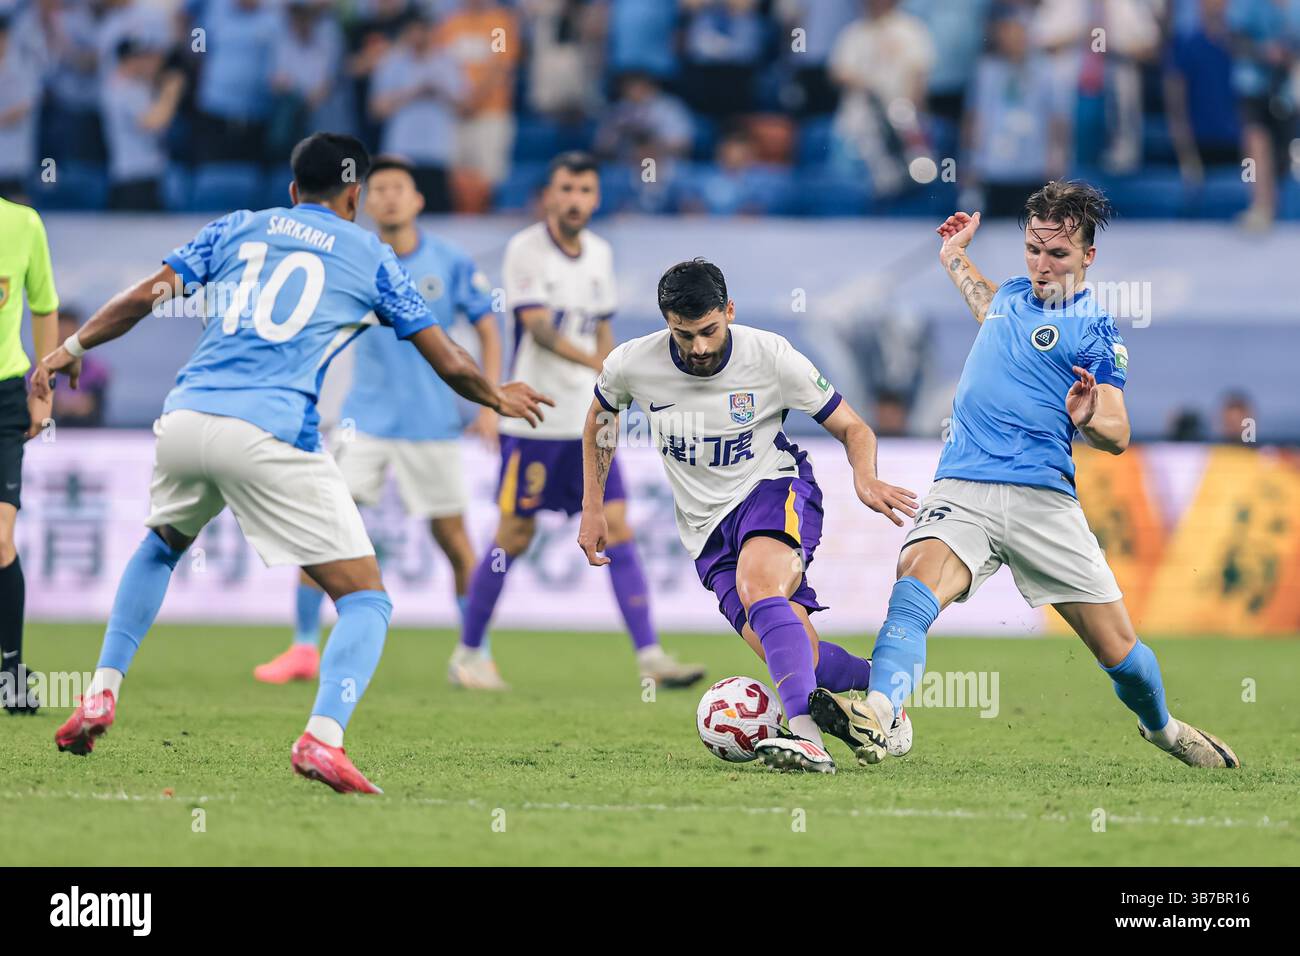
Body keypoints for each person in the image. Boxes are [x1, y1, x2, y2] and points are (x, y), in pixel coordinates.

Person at [40, 133, 550, 793]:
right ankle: (322, 738)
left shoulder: (237, 226)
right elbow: (445, 355)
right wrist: (495, 394)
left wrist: (70, 345)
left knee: (162, 544)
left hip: (186, 417)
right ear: (354, 195)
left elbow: (145, 295)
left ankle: (101, 691)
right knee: (366, 598)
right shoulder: (368, 252)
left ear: (291, 189)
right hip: (269, 430)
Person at [819, 181, 1240, 770]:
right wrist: (953, 257)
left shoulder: (1096, 330)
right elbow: (987, 304)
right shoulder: (1013, 296)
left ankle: (1164, 728)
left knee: (1118, 651)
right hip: (964, 486)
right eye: (1033, 250)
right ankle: (880, 714)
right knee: (912, 590)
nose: (1043, 266)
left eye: (1059, 255)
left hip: (1044, 499)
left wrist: (1091, 418)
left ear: (1088, 257)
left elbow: (1118, 431)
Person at [579, 258, 918, 774]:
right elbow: (601, 418)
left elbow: (854, 428)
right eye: (683, 334)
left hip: (773, 487)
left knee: (759, 586)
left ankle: (805, 736)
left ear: (729, 312)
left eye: (709, 331)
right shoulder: (632, 363)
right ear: (665, 322)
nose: (697, 347)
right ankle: (880, 693)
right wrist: (592, 505)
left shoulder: (772, 357)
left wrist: (865, 477)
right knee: (794, 652)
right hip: (705, 532)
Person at [453, 152, 705, 691]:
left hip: (591, 420)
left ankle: (651, 655)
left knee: (617, 528)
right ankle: (469, 652)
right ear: (549, 195)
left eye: (585, 190)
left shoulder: (601, 253)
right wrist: (602, 366)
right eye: (565, 188)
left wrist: (614, 387)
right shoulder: (526, 249)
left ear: (595, 198)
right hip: (536, 419)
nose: (574, 199)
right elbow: (538, 329)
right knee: (512, 536)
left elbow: (603, 332)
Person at [254, 153, 502, 685]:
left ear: (418, 200)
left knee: (455, 540)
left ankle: (473, 652)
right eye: (378, 188)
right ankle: (302, 647)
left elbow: (487, 325)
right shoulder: (353, 257)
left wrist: (488, 401)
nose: (388, 196)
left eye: (398, 188)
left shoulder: (451, 260)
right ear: (364, 200)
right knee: (321, 528)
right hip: (360, 423)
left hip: (432, 425)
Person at [0, 196, 59, 714]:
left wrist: (43, 385)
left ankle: (11, 671)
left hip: (2, 397)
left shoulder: (22, 224)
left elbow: (43, 305)